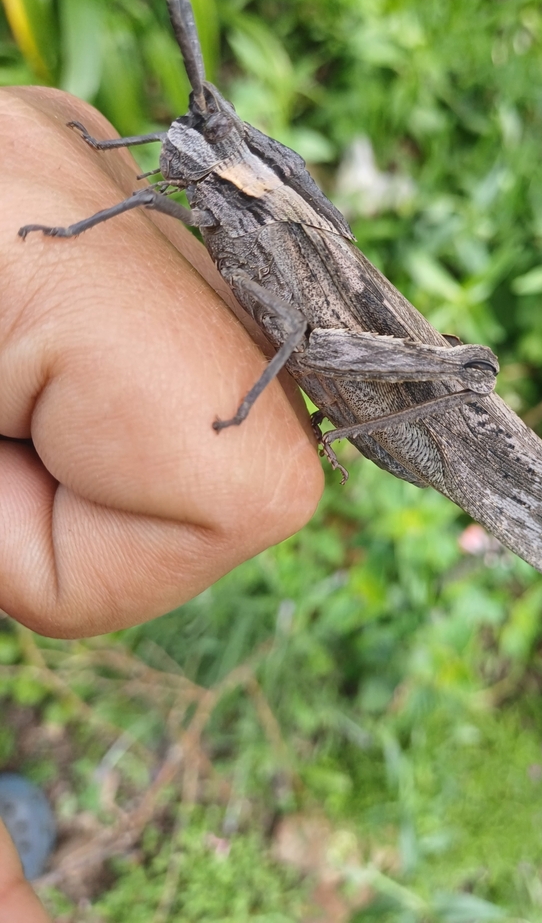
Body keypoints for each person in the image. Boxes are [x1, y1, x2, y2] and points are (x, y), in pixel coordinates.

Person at [0, 87, 325, 920]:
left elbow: (297, 324)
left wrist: (251, 408)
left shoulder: (260, 198)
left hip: (337, 344)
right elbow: (158, 181)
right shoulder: (210, 169)